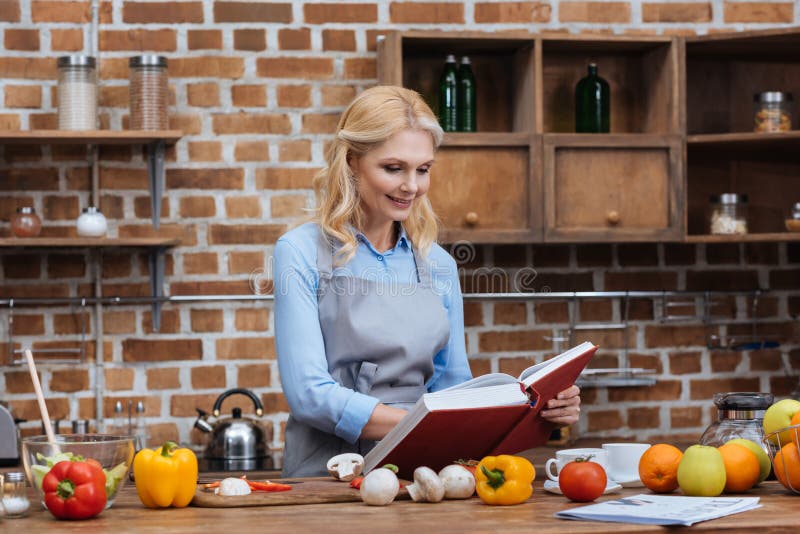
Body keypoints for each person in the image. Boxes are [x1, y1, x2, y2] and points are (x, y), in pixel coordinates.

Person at [273, 86, 581, 477]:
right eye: (393, 168)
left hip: (422, 472)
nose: (412, 186)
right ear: (351, 161)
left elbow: (453, 388)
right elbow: (309, 396)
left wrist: (540, 408)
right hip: (331, 472)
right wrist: (421, 423)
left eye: (423, 169)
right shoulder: (299, 251)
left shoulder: (438, 264)